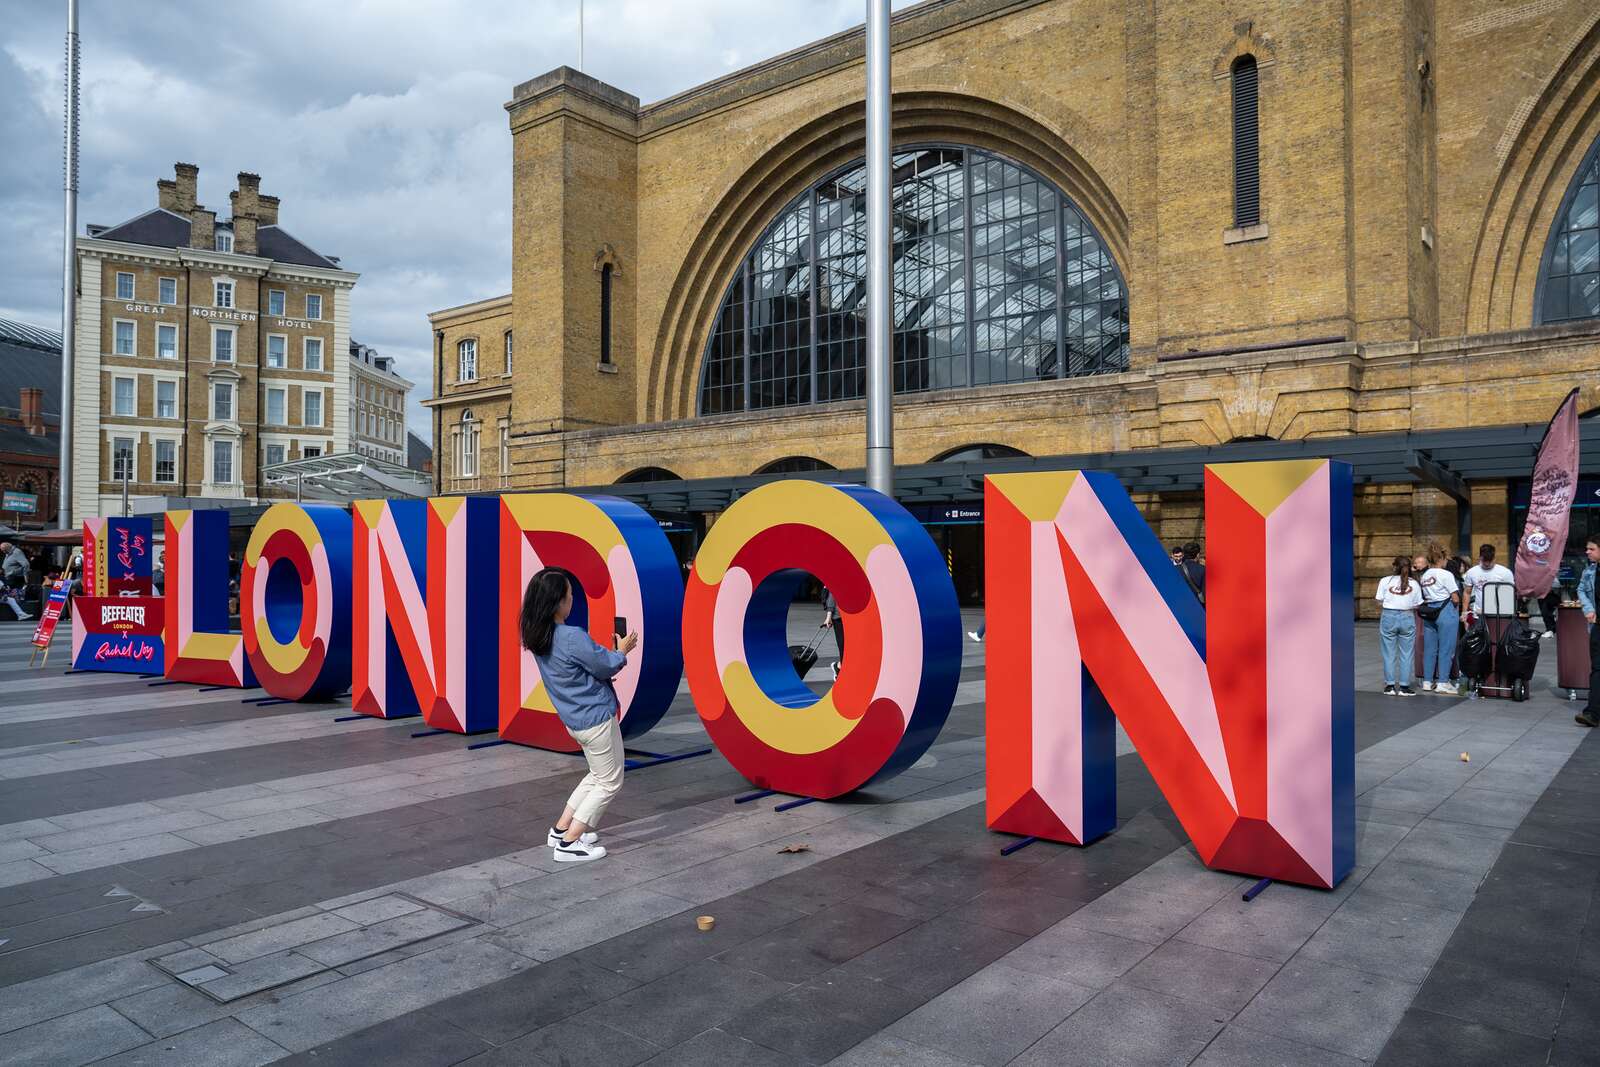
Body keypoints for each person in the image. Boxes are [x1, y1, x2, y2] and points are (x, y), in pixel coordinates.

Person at [520, 567, 636, 862]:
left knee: (598, 775)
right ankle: (570, 843)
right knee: (610, 781)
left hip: (575, 718)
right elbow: (605, 665)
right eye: (570, 595)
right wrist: (621, 650)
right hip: (595, 717)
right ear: (558, 602)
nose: (572, 600)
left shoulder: (538, 635)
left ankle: (561, 830)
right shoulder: (571, 636)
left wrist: (611, 655)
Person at [1415, 545, 1460, 695]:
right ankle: (1443, 682)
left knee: (1430, 649)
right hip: (1445, 611)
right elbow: (1455, 597)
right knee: (1447, 649)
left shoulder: (1425, 575)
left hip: (1430, 612)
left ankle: (1427, 681)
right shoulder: (1446, 575)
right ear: (1441, 558)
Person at [1376, 555, 1423, 695]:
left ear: (1394, 566)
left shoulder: (1385, 581)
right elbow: (1417, 603)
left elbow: (1379, 600)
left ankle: (1390, 686)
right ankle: (1404, 686)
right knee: (1407, 653)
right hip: (1407, 616)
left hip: (1389, 615)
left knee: (1388, 652)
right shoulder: (1414, 583)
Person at [1575, 538, 1599, 727]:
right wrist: (1588, 609)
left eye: (1591, 549)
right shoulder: (1589, 571)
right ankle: (1592, 713)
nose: (1587, 552)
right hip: (1597, 627)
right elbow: (1581, 589)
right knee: (1597, 669)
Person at [1463, 544, 1514, 619]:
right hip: (1478, 615)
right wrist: (1464, 613)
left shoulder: (1505, 573)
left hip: (1499, 616)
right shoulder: (1472, 572)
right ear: (1480, 558)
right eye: (1484, 560)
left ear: (1494, 558)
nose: (1487, 564)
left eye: (1490, 561)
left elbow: (1510, 595)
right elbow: (1467, 593)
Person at [823, 588, 845, 680]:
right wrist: (828, 617)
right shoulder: (838, 581)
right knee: (843, 645)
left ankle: (839, 666)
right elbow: (831, 599)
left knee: (849, 647)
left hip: (851, 618)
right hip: (838, 617)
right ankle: (841, 669)